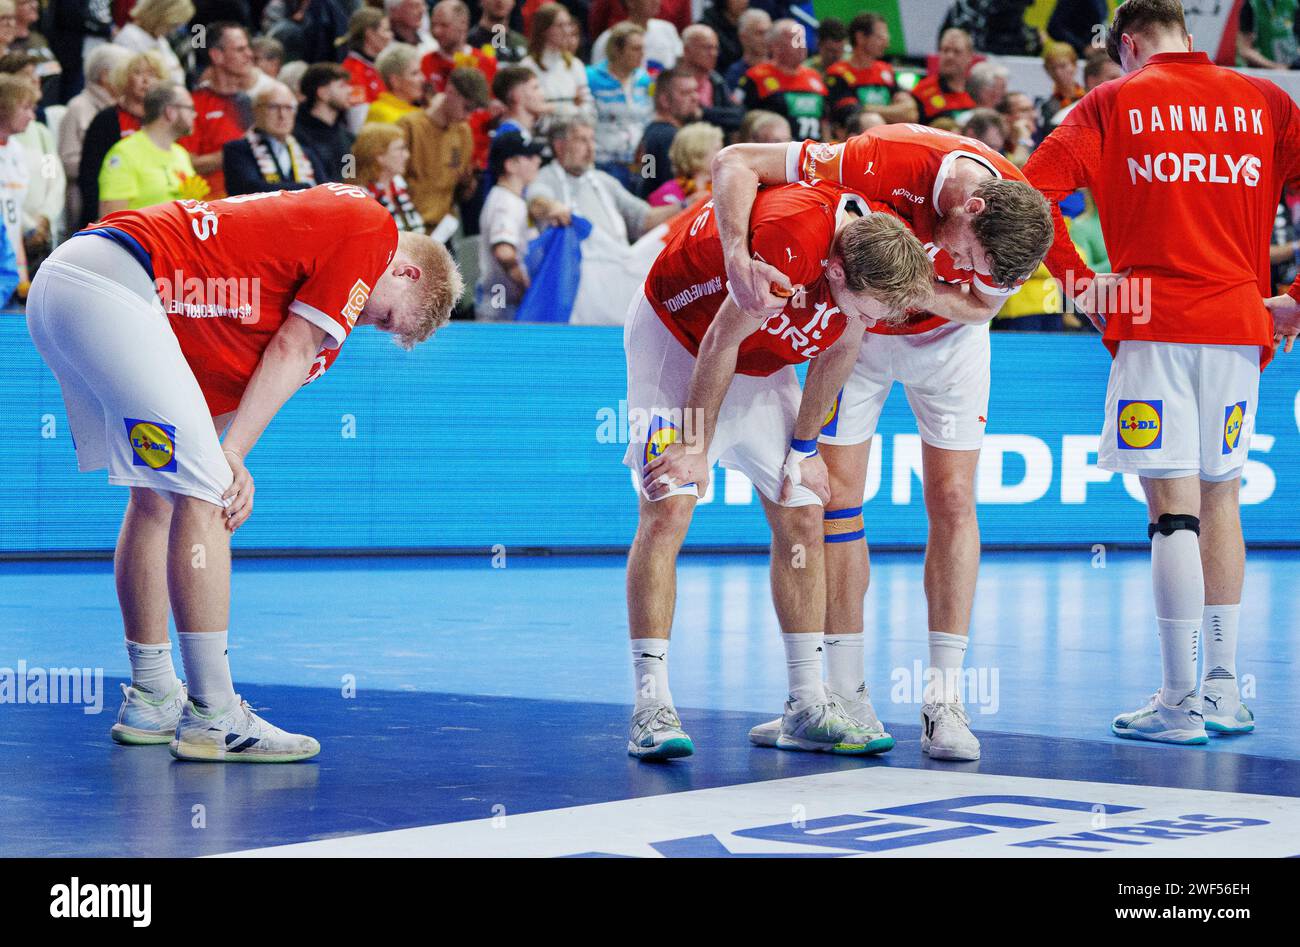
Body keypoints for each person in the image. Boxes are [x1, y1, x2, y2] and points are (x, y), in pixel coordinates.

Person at [26, 184, 461, 762]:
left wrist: (230, 455)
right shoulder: (371, 227)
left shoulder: (279, 290)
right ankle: (214, 714)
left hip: (72, 285)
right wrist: (229, 459)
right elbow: (292, 346)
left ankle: (153, 695)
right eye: (380, 316)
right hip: (110, 282)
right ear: (404, 272)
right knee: (205, 494)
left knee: (158, 497)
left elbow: (232, 405)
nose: (360, 324)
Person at [713, 122, 1055, 762]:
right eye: (968, 257)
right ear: (968, 206)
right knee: (836, 501)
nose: (967, 270)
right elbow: (737, 158)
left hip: (948, 347)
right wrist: (738, 255)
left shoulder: (1017, 223)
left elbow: (980, 308)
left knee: (953, 501)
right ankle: (845, 693)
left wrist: (913, 289)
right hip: (860, 337)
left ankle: (946, 701)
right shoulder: (884, 157)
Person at [1024, 0, 1300, 745]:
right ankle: (1224, 691)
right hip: (1241, 328)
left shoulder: (1115, 99)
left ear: (1131, 45)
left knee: (1171, 509)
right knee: (1222, 497)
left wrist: (1081, 285)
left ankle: (1178, 702)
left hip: (1154, 323)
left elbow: (1030, 196)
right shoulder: (1269, 100)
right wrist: (1297, 299)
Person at [623, 180, 934, 760]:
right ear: (836, 273)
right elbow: (719, 342)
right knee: (669, 503)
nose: (872, 322)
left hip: (762, 355)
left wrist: (805, 446)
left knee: (804, 510)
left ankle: (806, 703)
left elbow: (843, 345)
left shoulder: (881, 251)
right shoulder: (790, 244)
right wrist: (694, 445)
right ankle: (651, 705)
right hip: (681, 336)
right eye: (867, 309)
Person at [529, 114, 693, 247]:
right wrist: (552, 207)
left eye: (592, 140)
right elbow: (536, 201)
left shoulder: (604, 181)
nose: (590, 147)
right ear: (559, 146)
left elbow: (645, 218)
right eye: (581, 140)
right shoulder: (546, 177)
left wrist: (686, 206)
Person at [78, 50, 169, 229]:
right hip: (115, 214)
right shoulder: (107, 119)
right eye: (138, 73)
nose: (146, 80)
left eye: (152, 75)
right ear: (124, 79)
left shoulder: (165, 119)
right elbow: (89, 175)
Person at [99, 83, 204, 216]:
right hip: (142, 236)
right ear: (170, 112)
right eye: (190, 108)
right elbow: (112, 220)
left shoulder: (181, 154)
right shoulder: (125, 153)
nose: (194, 114)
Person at [180, 22, 256, 199]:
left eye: (248, 48)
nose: (249, 55)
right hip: (213, 203)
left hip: (253, 198)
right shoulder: (193, 104)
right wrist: (243, 151)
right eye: (240, 50)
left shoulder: (253, 101)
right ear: (217, 55)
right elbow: (186, 162)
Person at [59, 45, 132, 229]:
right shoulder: (78, 107)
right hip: (85, 194)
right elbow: (67, 162)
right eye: (125, 72)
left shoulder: (126, 110)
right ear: (105, 76)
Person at [476, 129, 544, 320]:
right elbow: (504, 251)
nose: (538, 161)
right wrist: (527, 287)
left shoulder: (513, 199)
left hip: (506, 308)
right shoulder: (505, 202)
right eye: (530, 156)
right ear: (511, 164)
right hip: (500, 312)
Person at [223, 81, 325, 195]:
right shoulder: (237, 150)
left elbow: (324, 189)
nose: (282, 115)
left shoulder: (307, 151)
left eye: (288, 107)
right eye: (273, 107)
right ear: (255, 110)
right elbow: (250, 188)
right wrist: (305, 188)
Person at [739, 19, 828, 143]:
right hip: (777, 151)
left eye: (802, 39)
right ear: (775, 46)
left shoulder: (815, 77)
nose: (802, 45)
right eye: (795, 39)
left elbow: (824, 120)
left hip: (812, 153)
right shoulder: (756, 77)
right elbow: (744, 121)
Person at [587, 21, 652, 188]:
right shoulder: (591, 78)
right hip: (605, 161)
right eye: (635, 49)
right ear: (617, 50)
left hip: (642, 161)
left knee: (645, 196)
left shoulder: (645, 80)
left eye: (643, 48)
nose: (642, 54)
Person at [826, 13, 917, 129]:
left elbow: (911, 113)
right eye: (880, 38)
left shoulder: (886, 71)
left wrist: (868, 108)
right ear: (860, 37)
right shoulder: (838, 73)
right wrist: (895, 113)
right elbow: (849, 113)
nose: (886, 44)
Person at [521, 3, 593, 125]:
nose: (567, 31)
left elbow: (587, 105)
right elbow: (529, 109)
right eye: (560, 26)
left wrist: (552, 107)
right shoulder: (528, 66)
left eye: (568, 24)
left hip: (573, 130)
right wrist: (568, 106)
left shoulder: (575, 65)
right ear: (544, 30)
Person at [633, 66, 699, 199]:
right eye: (685, 93)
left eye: (695, 91)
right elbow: (676, 191)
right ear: (664, 100)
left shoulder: (652, 132)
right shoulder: (670, 137)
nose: (695, 97)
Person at [351, 122, 425, 233]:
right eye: (400, 149)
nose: (407, 155)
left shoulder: (398, 185)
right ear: (378, 155)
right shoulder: (360, 197)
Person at [676, 24, 742, 135]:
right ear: (687, 50)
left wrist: (703, 113)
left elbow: (738, 115)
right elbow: (683, 115)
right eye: (707, 48)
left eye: (716, 48)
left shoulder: (717, 81)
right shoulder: (673, 81)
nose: (714, 53)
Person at [294, 62, 354, 183]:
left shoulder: (346, 137)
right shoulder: (296, 134)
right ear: (322, 93)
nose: (350, 90)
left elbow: (350, 177)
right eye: (342, 86)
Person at [340, 7, 396, 135]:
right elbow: (358, 125)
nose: (390, 36)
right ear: (370, 33)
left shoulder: (380, 66)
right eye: (386, 30)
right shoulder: (352, 71)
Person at [0, 71, 32, 289]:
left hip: (8, 271)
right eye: (25, 107)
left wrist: (22, 276)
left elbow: (15, 216)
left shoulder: (17, 150)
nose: (32, 115)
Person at [590, 0, 682, 74]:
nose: (657, 1)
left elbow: (680, 64)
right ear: (630, 2)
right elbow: (598, 76)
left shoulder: (667, 29)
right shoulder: (608, 38)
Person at [113, 0, 192, 85]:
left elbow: (178, 75)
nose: (173, 31)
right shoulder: (129, 37)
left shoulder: (161, 41)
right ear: (161, 17)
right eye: (173, 25)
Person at [910, 27, 976, 126]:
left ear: (969, 57)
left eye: (956, 51)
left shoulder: (978, 92)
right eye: (945, 50)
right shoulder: (922, 92)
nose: (949, 56)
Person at [646, 120, 720, 207]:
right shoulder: (667, 194)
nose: (721, 153)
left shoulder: (722, 189)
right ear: (697, 153)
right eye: (717, 148)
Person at [368, 42, 426, 125]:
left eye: (421, 72)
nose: (423, 79)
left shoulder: (417, 110)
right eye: (414, 73)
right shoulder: (382, 114)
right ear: (395, 81)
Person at [1037, 40, 1084, 131]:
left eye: (1063, 66)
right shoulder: (1045, 105)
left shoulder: (1089, 96)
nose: (1058, 73)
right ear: (1047, 71)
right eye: (1053, 68)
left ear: (1074, 65)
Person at [722, 7, 770, 94]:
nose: (766, 38)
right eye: (759, 33)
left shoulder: (782, 69)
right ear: (743, 37)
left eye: (768, 32)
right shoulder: (735, 74)